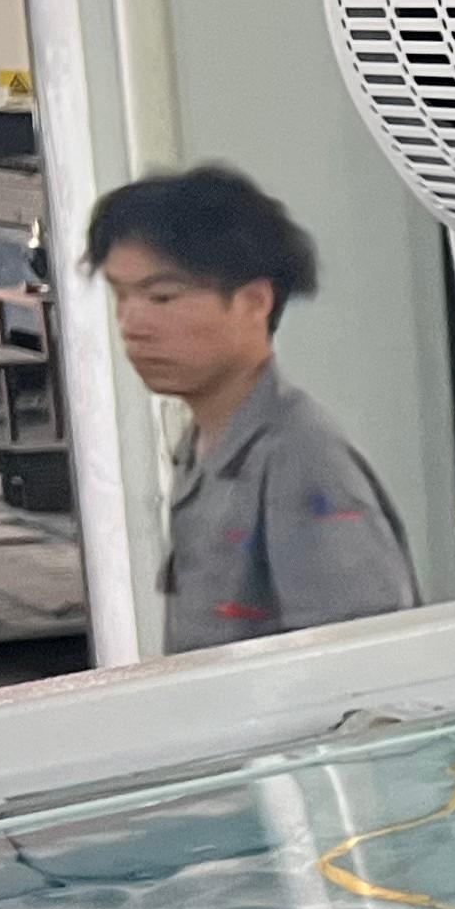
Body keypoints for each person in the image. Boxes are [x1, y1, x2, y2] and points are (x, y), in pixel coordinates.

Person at [83, 164, 423, 652]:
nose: (132, 325)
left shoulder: (299, 459)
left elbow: (362, 665)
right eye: (121, 296)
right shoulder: (201, 444)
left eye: (162, 296)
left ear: (254, 302)